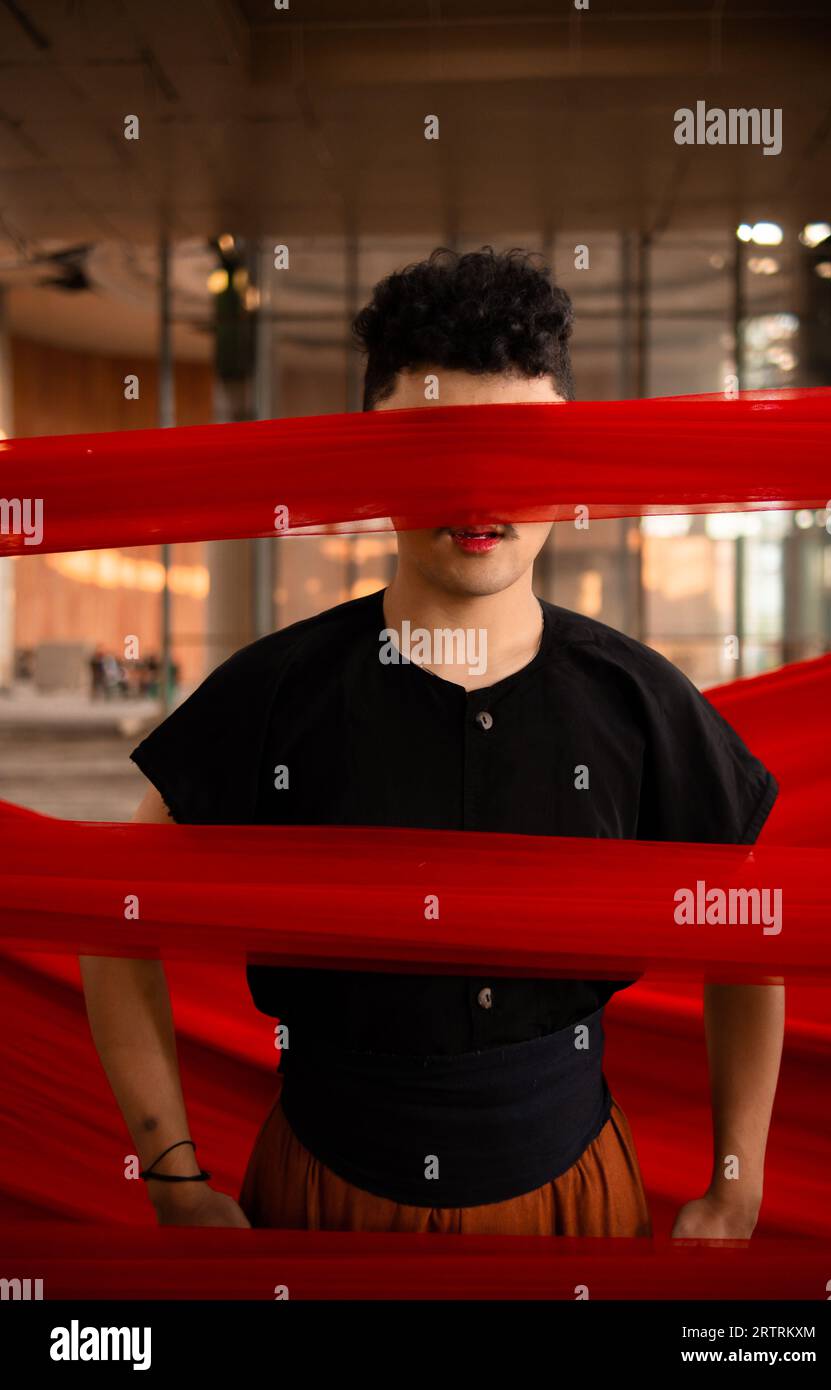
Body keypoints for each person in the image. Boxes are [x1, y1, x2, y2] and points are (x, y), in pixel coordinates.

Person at [79, 248, 783, 1238]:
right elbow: (112, 916)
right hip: (320, 1201)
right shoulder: (277, 689)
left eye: (517, 455)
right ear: (375, 464)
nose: (479, 496)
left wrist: (735, 1181)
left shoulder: (639, 701)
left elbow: (752, 934)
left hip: (574, 1203)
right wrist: (171, 1177)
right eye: (436, 453)